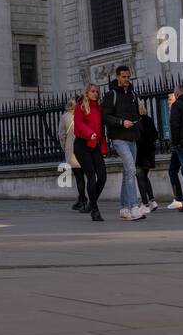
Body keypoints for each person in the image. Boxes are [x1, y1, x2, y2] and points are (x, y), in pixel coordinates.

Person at [102, 65, 148, 220]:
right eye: (123, 76)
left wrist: (138, 126)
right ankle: (134, 206)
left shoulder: (133, 94)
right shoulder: (111, 95)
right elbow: (105, 117)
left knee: (128, 171)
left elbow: (138, 114)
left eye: (128, 76)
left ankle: (124, 208)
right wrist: (122, 122)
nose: (127, 79)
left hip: (132, 137)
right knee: (131, 169)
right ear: (117, 77)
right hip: (119, 137)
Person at [73, 83, 108, 223]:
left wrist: (104, 149)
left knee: (103, 176)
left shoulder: (99, 109)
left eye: (97, 92)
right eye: (93, 91)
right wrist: (90, 133)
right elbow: (79, 124)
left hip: (95, 146)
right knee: (91, 176)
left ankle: (91, 203)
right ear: (87, 93)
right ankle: (94, 209)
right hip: (82, 145)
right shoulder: (80, 107)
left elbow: (102, 131)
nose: (96, 93)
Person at [60, 96, 88, 211]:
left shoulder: (65, 117)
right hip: (85, 149)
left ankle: (83, 200)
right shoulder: (84, 114)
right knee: (88, 175)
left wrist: (65, 148)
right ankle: (82, 199)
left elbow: (61, 136)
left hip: (72, 151)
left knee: (79, 177)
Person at [135, 99, 159, 211]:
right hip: (149, 153)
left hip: (139, 153)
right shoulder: (148, 119)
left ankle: (145, 204)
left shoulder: (135, 121)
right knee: (145, 177)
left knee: (140, 178)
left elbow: (136, 138)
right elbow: (155, 135)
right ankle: (152, 201)